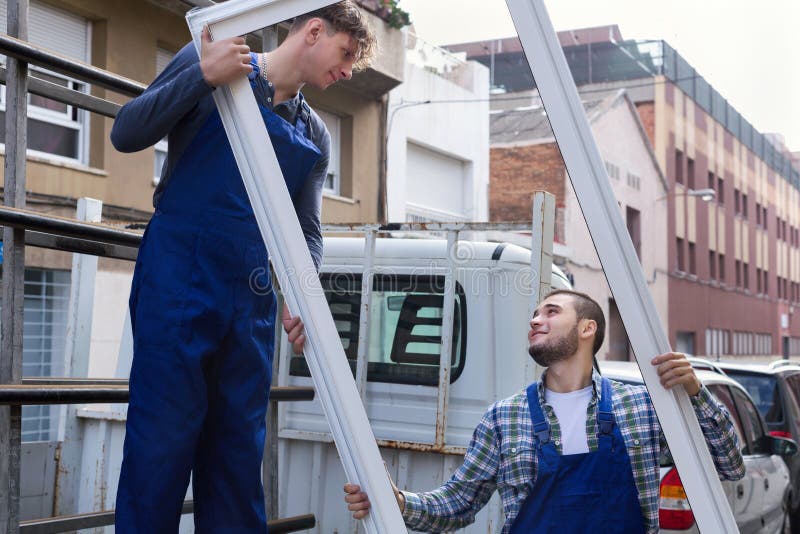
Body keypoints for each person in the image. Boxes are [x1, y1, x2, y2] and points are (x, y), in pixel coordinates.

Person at [110, 3, 376, 531]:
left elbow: (307, 232)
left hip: (252, 294)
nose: (346, 72)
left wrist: (302, 297)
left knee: (237, 450)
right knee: (161, 440)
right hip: (177, 272)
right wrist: (203, 77)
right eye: (345, 54)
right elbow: (126, 133)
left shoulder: (316, 134)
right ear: (314, 30)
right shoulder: (212, 57)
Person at [343, 289, 745, 533]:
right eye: (534, 314)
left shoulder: (640, 407)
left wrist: (694, 392)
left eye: (551, 312)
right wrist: (398, 502)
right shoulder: (504, 418)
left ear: (587, 328)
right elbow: (458, 505)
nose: (536, 320)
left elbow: (728, 463)